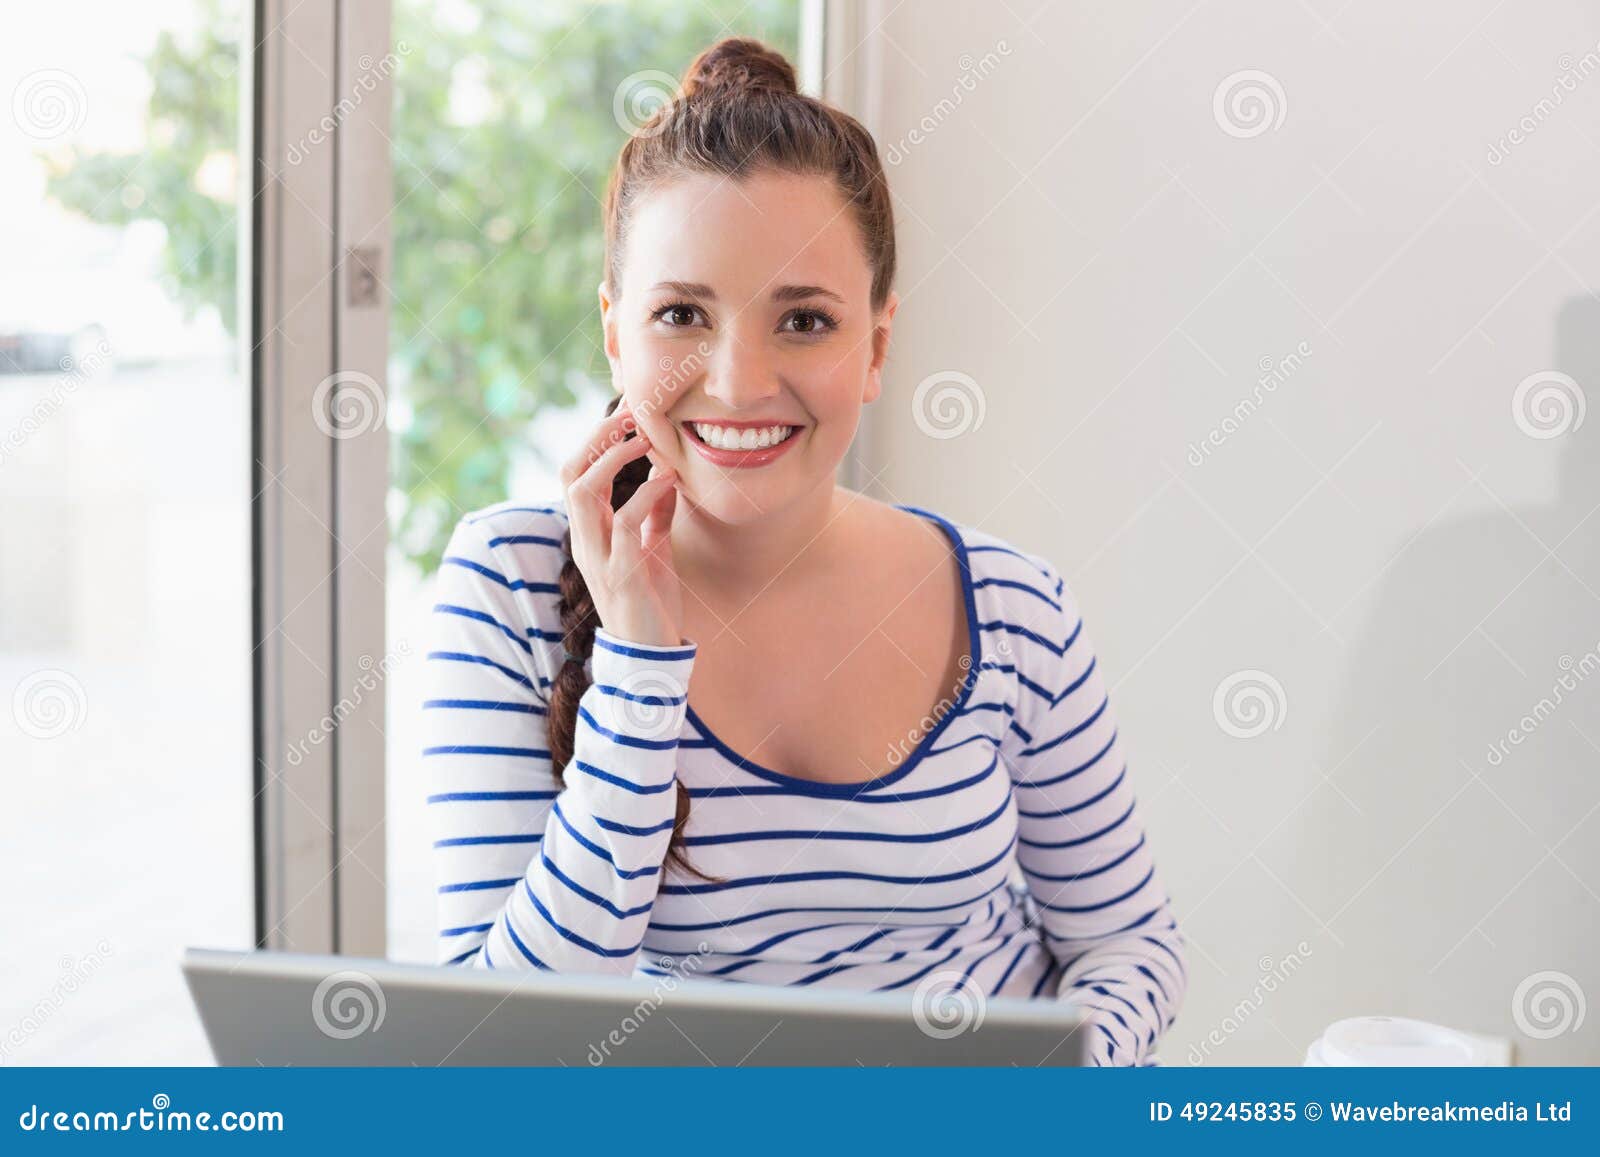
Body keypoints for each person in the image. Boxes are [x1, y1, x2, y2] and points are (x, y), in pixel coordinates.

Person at [421, 35, 1186, 1066]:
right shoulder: (506, 585)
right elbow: (499, 1050)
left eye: (805, 320)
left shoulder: (1012, 607)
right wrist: (641, 669)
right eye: (682, 313)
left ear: (873, 347)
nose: (737, 383)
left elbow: (1128, 942)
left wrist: (1061, 1085)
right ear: (615, 334)